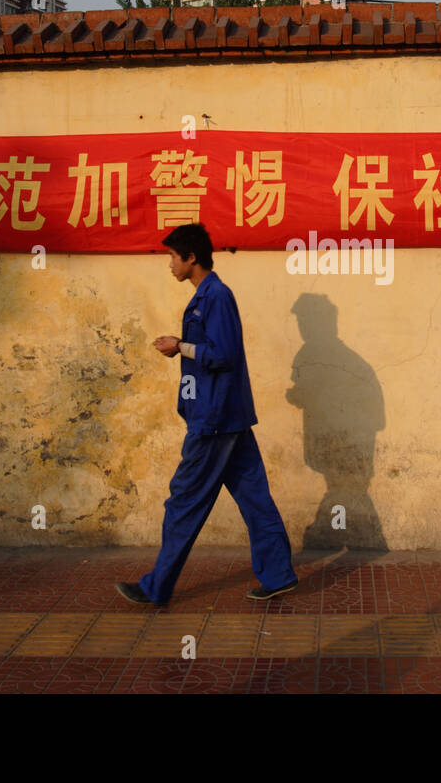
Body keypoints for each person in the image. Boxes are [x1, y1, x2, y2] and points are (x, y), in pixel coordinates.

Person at [116, 223, 299, 605]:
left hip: (215, 421)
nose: (169, 264)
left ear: (191, 257)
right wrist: (181, 349)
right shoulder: (206, 297)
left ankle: (155, 588)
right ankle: (279, 575)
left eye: (172, 256)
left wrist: (179, 346)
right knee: (255, 500)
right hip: (227, 417)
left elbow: (224, 354)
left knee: (183, 501)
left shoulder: (215, 296)